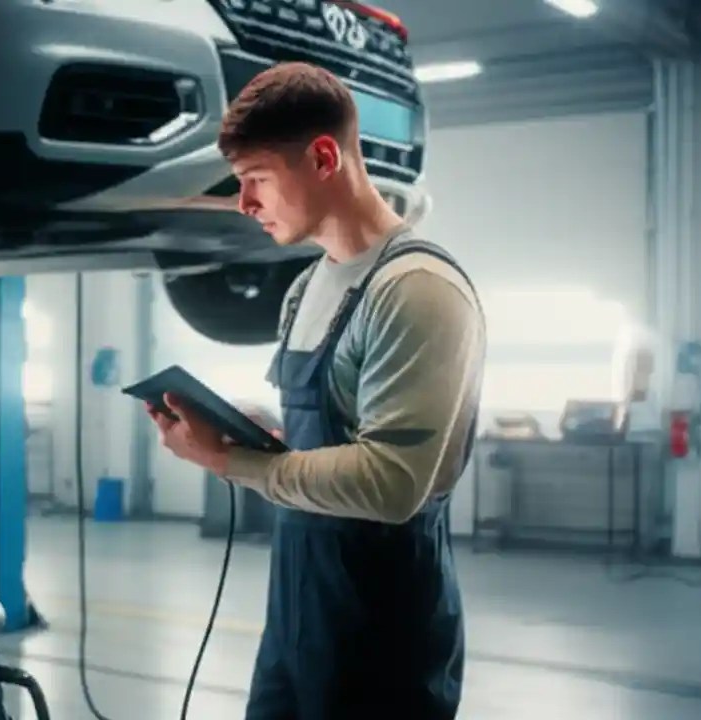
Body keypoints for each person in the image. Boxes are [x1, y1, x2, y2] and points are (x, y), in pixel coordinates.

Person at [146, 61, 486, 720]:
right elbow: (325, 428)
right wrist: (253, 430)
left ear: (325, 157)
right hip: (297, 624)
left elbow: (391, 483)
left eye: (257, 180)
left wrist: (228, 461)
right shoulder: (307, 287)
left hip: (386, 642)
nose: (244, 204)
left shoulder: (417, 290)